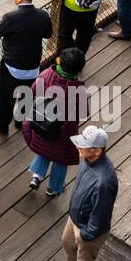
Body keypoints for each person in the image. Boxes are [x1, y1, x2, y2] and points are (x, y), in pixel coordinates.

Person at [46, 126, 118, 261]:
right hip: (76, 218)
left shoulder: (102, 183)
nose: (78, 146)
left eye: (83, 145)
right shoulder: (88, 159)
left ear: (97, 151)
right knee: (67, 242)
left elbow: (100, 217)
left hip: (88, 229)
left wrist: (85, 236)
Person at [0, 0, 52, 130]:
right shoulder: (43, 15)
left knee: (5, 96)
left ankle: (2, 124)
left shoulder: (11, 17)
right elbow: (48, 34)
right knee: (26, 94)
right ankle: (19, 121)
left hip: (12, 67)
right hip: (33, 66)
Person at [21, 46, 87, 196]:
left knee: (44, 148)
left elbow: (32, 92)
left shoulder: (46, 75)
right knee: (60, 158)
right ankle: (53, 188)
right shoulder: (78, 91)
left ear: (60, 62)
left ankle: (36, 176)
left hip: (41, 125)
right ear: (78, 70)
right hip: (63, 133)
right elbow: (82, 113)